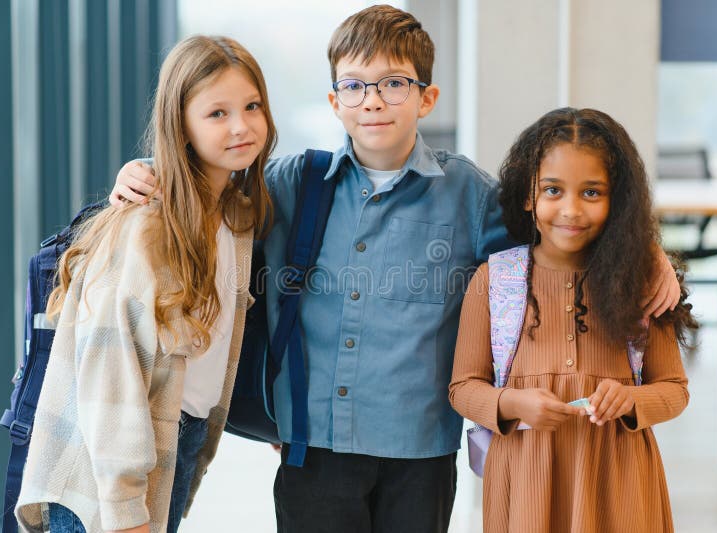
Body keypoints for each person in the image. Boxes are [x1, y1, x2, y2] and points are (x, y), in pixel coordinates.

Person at [110, 7, 681, 532]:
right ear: (335, 101)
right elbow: (209, 198)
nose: (373, 101)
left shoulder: (471, 196)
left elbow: (565, 234)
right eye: (355, 86)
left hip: (422, 455)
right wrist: (143, 173)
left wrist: (651, 254)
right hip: (315, 448)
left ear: (426, 97)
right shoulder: (291, 185)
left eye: (394, 84)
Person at [14, 35, 275, 533]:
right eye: (216, 113)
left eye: (252, 106)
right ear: (181, 126)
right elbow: (108, 379)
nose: (241, 125)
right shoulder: (146, 226)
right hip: (100, 481)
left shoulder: (235, 216)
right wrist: (124, 509)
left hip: (173, 445)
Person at [449, 107, 698, 533]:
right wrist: (512, 403)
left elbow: (674, 389)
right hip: (526, 481)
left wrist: (633, 400)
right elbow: (462, 389)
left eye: (591, 193)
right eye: (552, 190)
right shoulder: (493, 280)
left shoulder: (640, 285)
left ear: (616, 199)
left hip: (619, 483)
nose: (570, 210)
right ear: (528, 196)